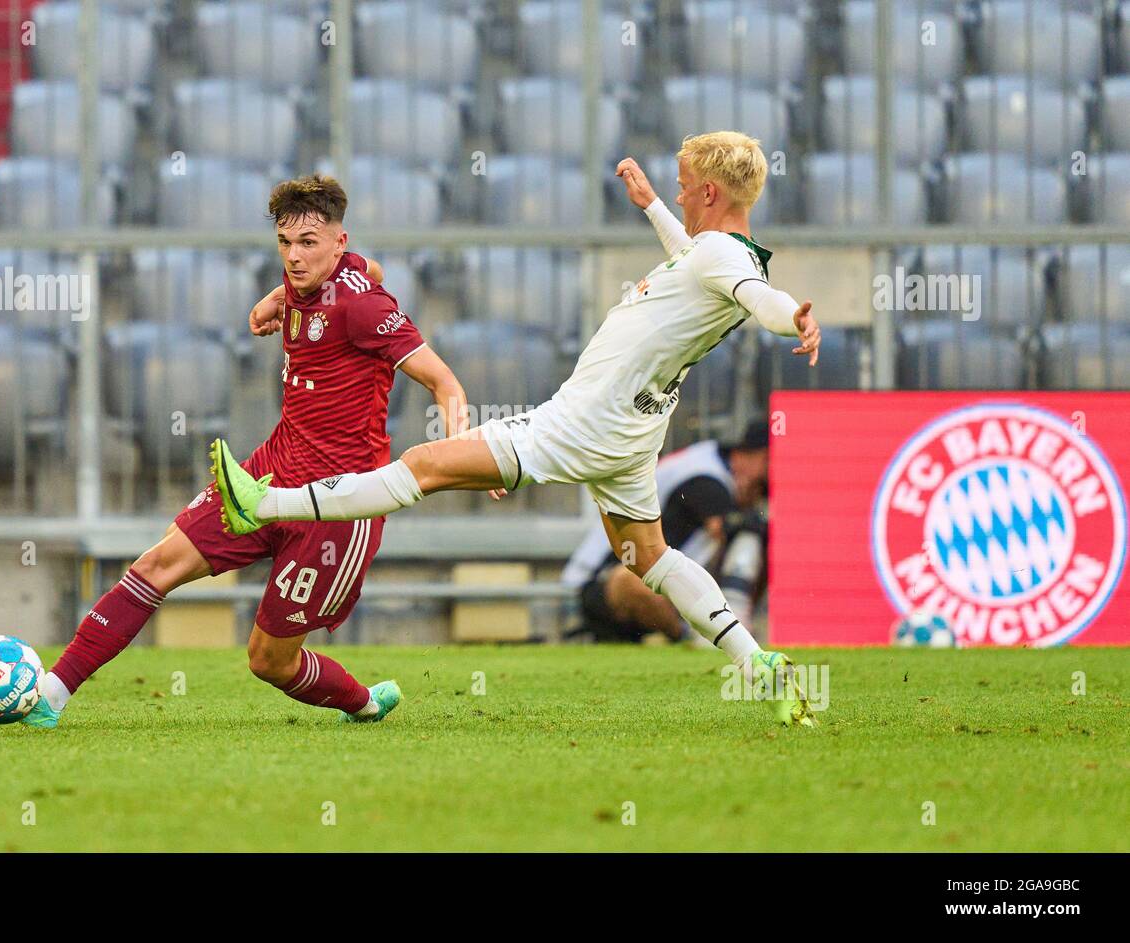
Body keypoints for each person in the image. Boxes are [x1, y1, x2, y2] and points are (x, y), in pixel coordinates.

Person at [210, 131, 822, 726]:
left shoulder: (723, 259)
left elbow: (754, 294)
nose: (681, 196)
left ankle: (267, 502)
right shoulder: (714, 251)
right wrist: (654, 207)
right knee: (648, 555)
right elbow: (706, 262)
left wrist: (792, 319)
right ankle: (756, 660)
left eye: (687, 188)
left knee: (424, 465)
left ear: (712, 193)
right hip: (633, 433)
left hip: (583, 423)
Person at [21, 174, 469, 728]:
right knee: (156, 564)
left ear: (339, 240)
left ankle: (364, 703)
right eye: (285, 243)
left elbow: (445, 384)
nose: (295, 256)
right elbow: (368, 267)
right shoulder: (320, 273)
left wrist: (464, 453)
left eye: (309, 243)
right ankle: (50, 697)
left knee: (268, 660)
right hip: (270, 471)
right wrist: (277, 297)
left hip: (337, 504)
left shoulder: (364, 309)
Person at [562, 421, 769, 645]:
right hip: (602, 578)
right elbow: (724, 527)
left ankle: (712, 631)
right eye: (767, 461)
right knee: (634, 581)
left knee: (758, 540)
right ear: (741, 456)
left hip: (661, 577)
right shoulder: (705, 476)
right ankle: (693, 638)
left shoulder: (707, 464)